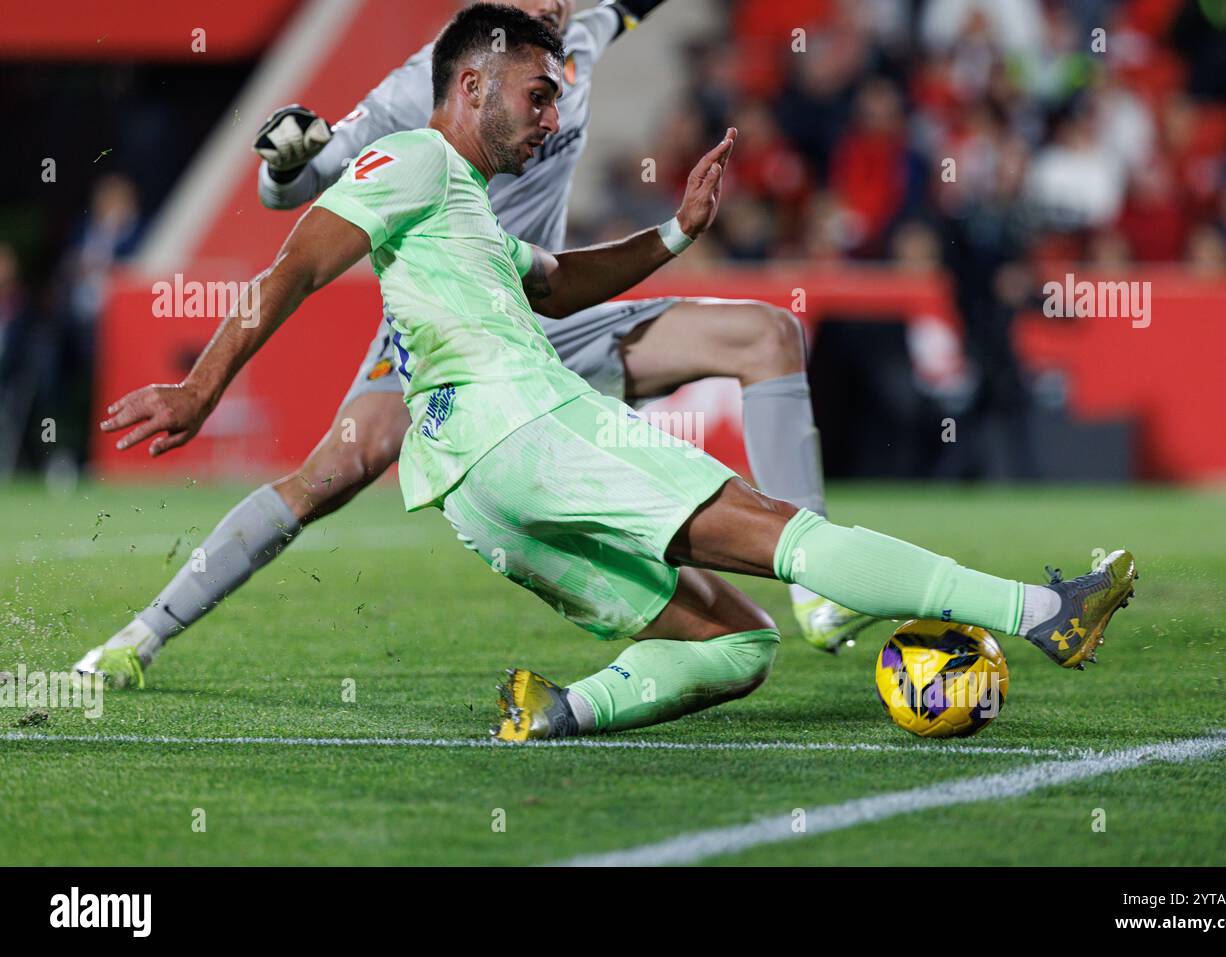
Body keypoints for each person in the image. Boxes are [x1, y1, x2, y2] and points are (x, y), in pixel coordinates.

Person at [97, 5, 1136, 739]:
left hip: (477, 496)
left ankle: (564, 710)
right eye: (536, 97)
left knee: (736, 646)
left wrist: (677, 232)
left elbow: (551, 285)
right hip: (530, 424)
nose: (554, 118)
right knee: (787, 539)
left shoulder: (467, 199)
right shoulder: (410, 150)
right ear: (467, 84)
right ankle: (1045, 615)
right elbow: (288, 263)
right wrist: (201, 389)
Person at [75, 0, 869, 688]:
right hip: (449, 334)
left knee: (768, 333)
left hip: (551, 313)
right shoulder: (417, 86)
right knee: (330, 475)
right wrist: (282, 167)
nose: (556, 5)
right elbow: (297, 191)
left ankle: (819, 583)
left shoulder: (576, 47)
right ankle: (141, 634)